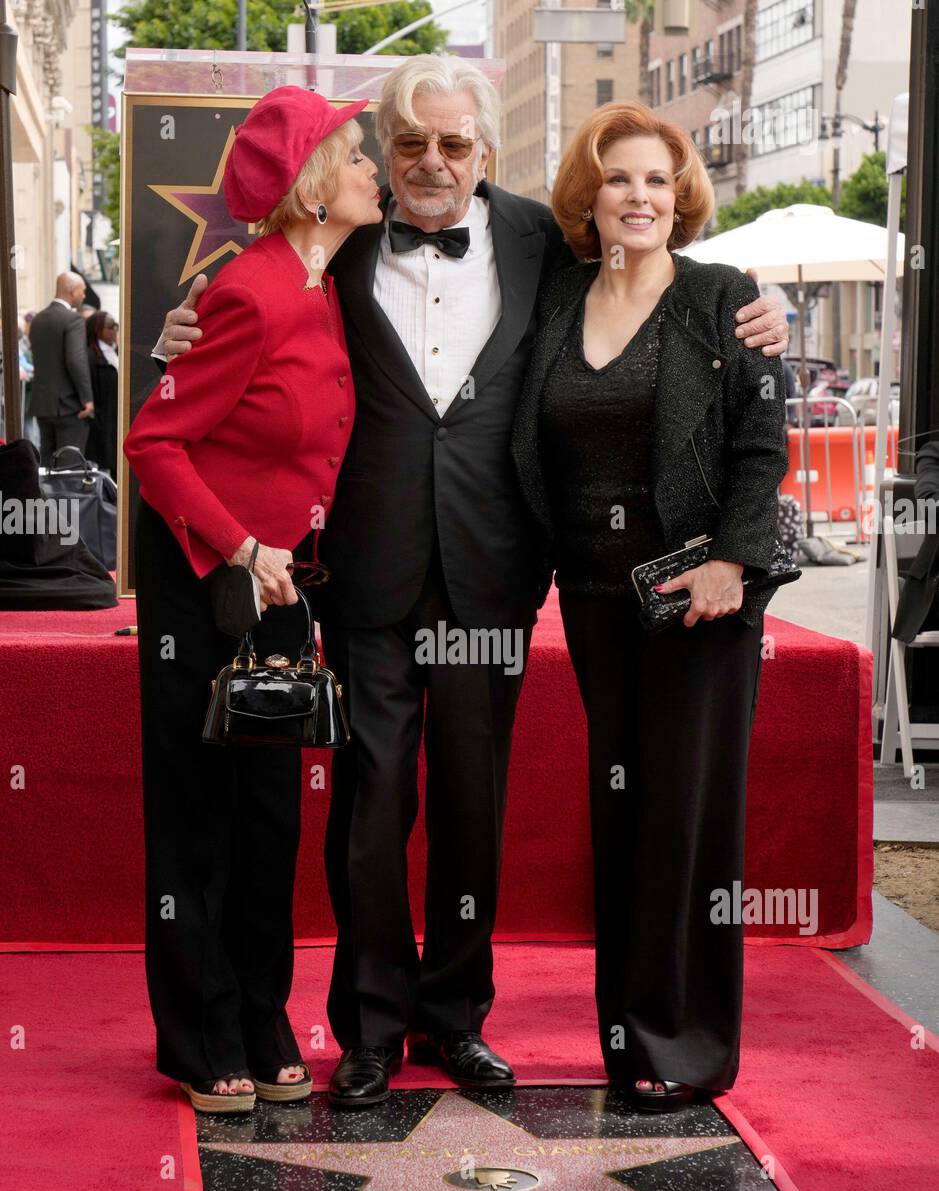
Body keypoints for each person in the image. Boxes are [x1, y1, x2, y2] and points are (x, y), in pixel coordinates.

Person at [158, 56, 790, 1110]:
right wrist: (178, 331)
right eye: (411, 143)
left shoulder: (544, 237)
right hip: (364, 570)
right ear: (387, 154)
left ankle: (456, 1020)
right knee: (368, 811)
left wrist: (757, 307)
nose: (432, 163)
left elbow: (655, 262)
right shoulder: (343, 240)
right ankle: (368, 1027)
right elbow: (246, 301)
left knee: (471, 808)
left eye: (455, 144)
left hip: (495, 572)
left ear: (486, 153)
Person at [512, 102, 790, 1112]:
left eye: (657, 183)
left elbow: (764, 445)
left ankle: (691, 1045)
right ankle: (630, 1038)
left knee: (688, 817)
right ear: (590, 198)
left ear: (682, 201)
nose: (639, 197)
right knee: (622, 812)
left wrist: (733, 565)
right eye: (620, 179)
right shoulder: (558, 298)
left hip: (702, 600)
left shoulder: (724, 298)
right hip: (592, 598)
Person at [124, 87, 380, 1112]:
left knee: (271, 814)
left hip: (286, 586)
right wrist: (239, 545)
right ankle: (200, 1032)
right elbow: (154, 443)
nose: (375, 170)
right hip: (208, 584)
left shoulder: (326, 279)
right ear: (315, 186)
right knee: (201, 813)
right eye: (357, 155)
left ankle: (265, 1013)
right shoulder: (251, 290)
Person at [27, 272, 95, 465]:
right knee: (68, 469)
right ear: (72, 291)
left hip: (43, 405)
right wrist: (87, 399)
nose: (84, 295)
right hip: (69, 406)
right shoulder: (73, 320)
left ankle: (46, 498)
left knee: (47, 466)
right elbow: (76, 360)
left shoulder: (38, 319)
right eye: (82, 291)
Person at [85, 311, 119, 478]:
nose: (114, 330)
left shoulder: (117, 352)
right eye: (110, 327)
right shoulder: (91, 355)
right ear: (98, 330)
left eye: (116, 326)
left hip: (117, 417)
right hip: (102, 419)